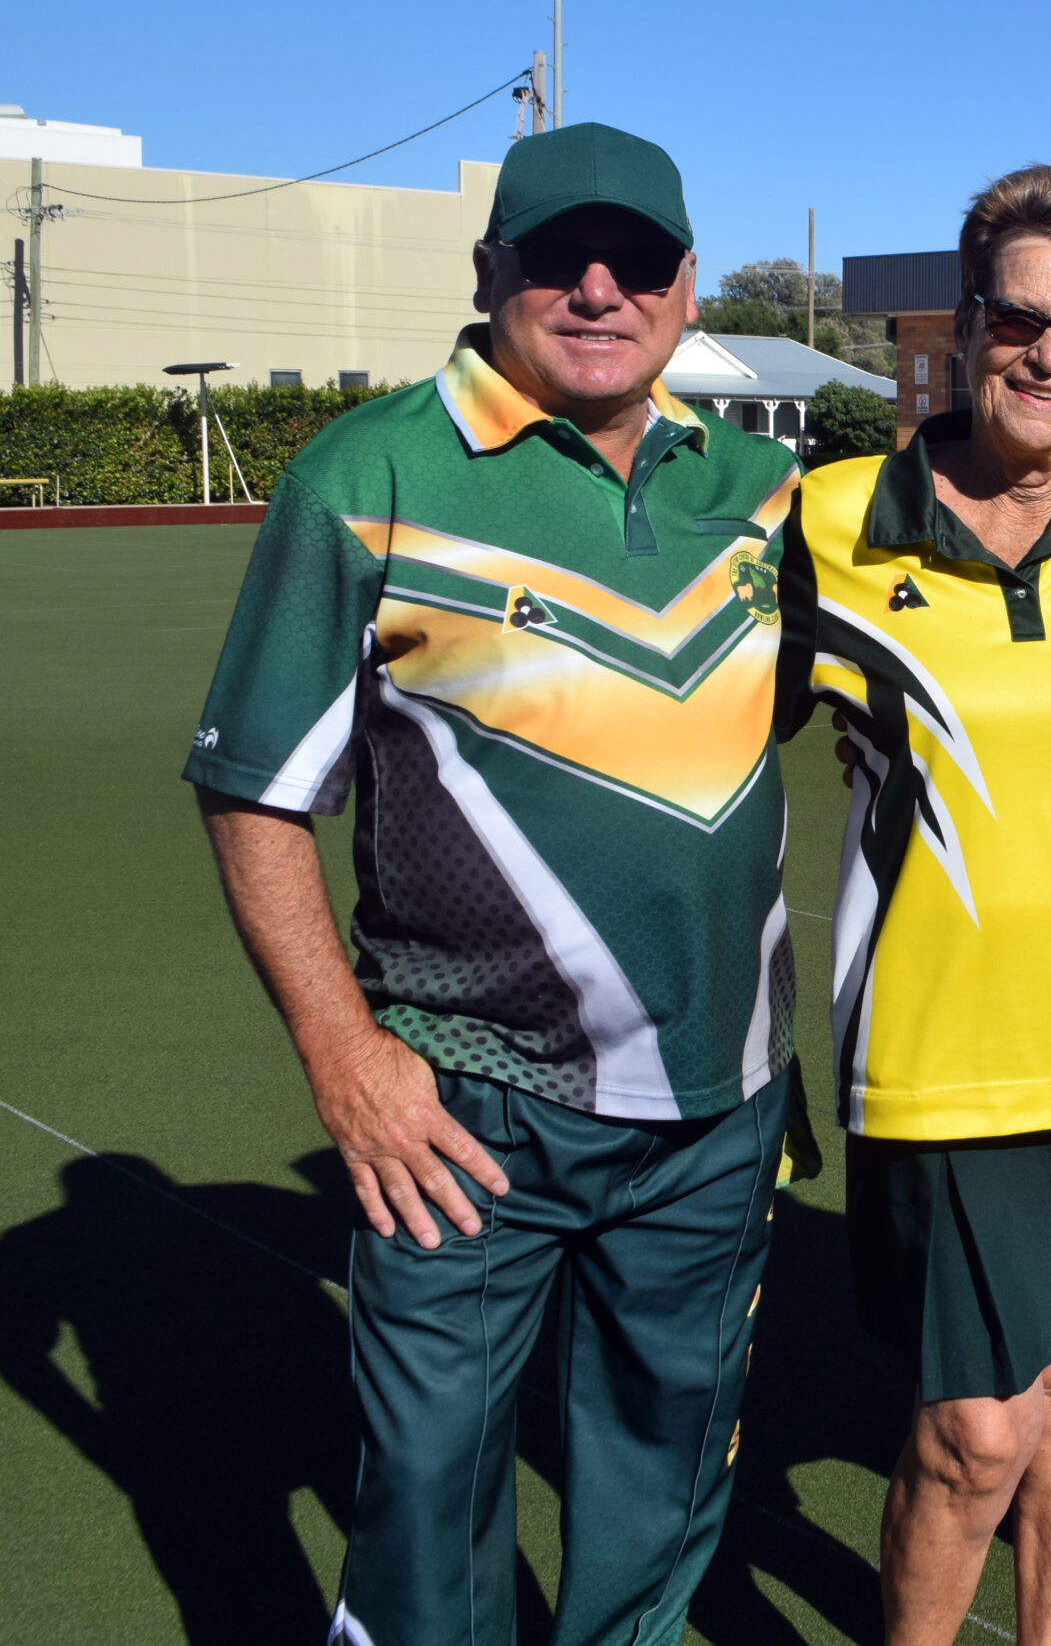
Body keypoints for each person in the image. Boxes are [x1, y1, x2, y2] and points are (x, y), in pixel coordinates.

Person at [186, 123, 817, 1646]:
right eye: (557, 255)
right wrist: (344, 1055)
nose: (599, 287)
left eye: (639, 259)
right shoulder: (371, 470)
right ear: (493, 274)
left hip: (720, 1107)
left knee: (662, 1506)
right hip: (465, 1108)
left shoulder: (761, 486)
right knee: (426, 1506)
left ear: (683, 285)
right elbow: (252, 793)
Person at [775, 165, 1051, 1646]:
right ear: (964, 322)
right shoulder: (829, 526)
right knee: (971, 1432)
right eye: (1022, 322)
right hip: (940, 1063)